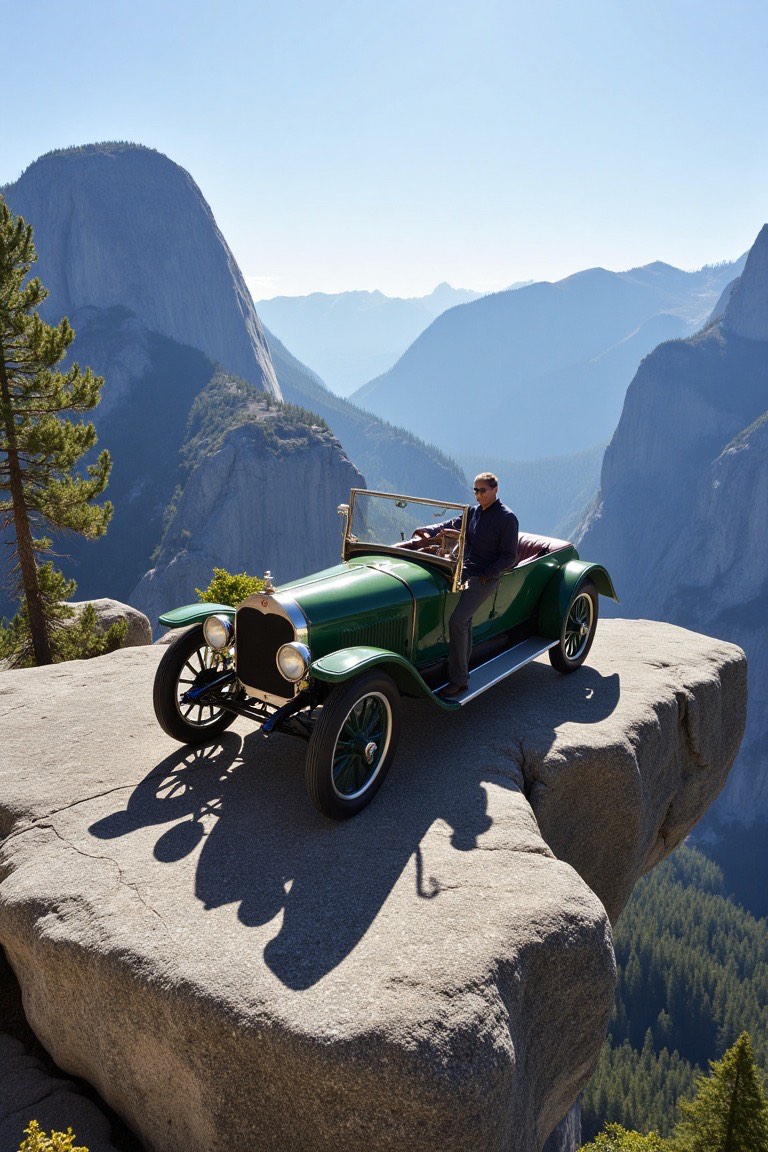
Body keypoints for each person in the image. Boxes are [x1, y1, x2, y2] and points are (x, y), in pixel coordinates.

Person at [412, 473, 519, 697]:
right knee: (463, 620)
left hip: (486, 577)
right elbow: (450, 524)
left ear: (495, 489)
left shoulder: (507, 518)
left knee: (458, 621)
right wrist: (428, 532)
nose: (478, 495)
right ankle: (454, 666)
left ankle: (459, 681)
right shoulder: (472, 512)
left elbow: (509, 556)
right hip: (464, 570)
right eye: (475, 491)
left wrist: (486, 575)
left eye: (483, 491)